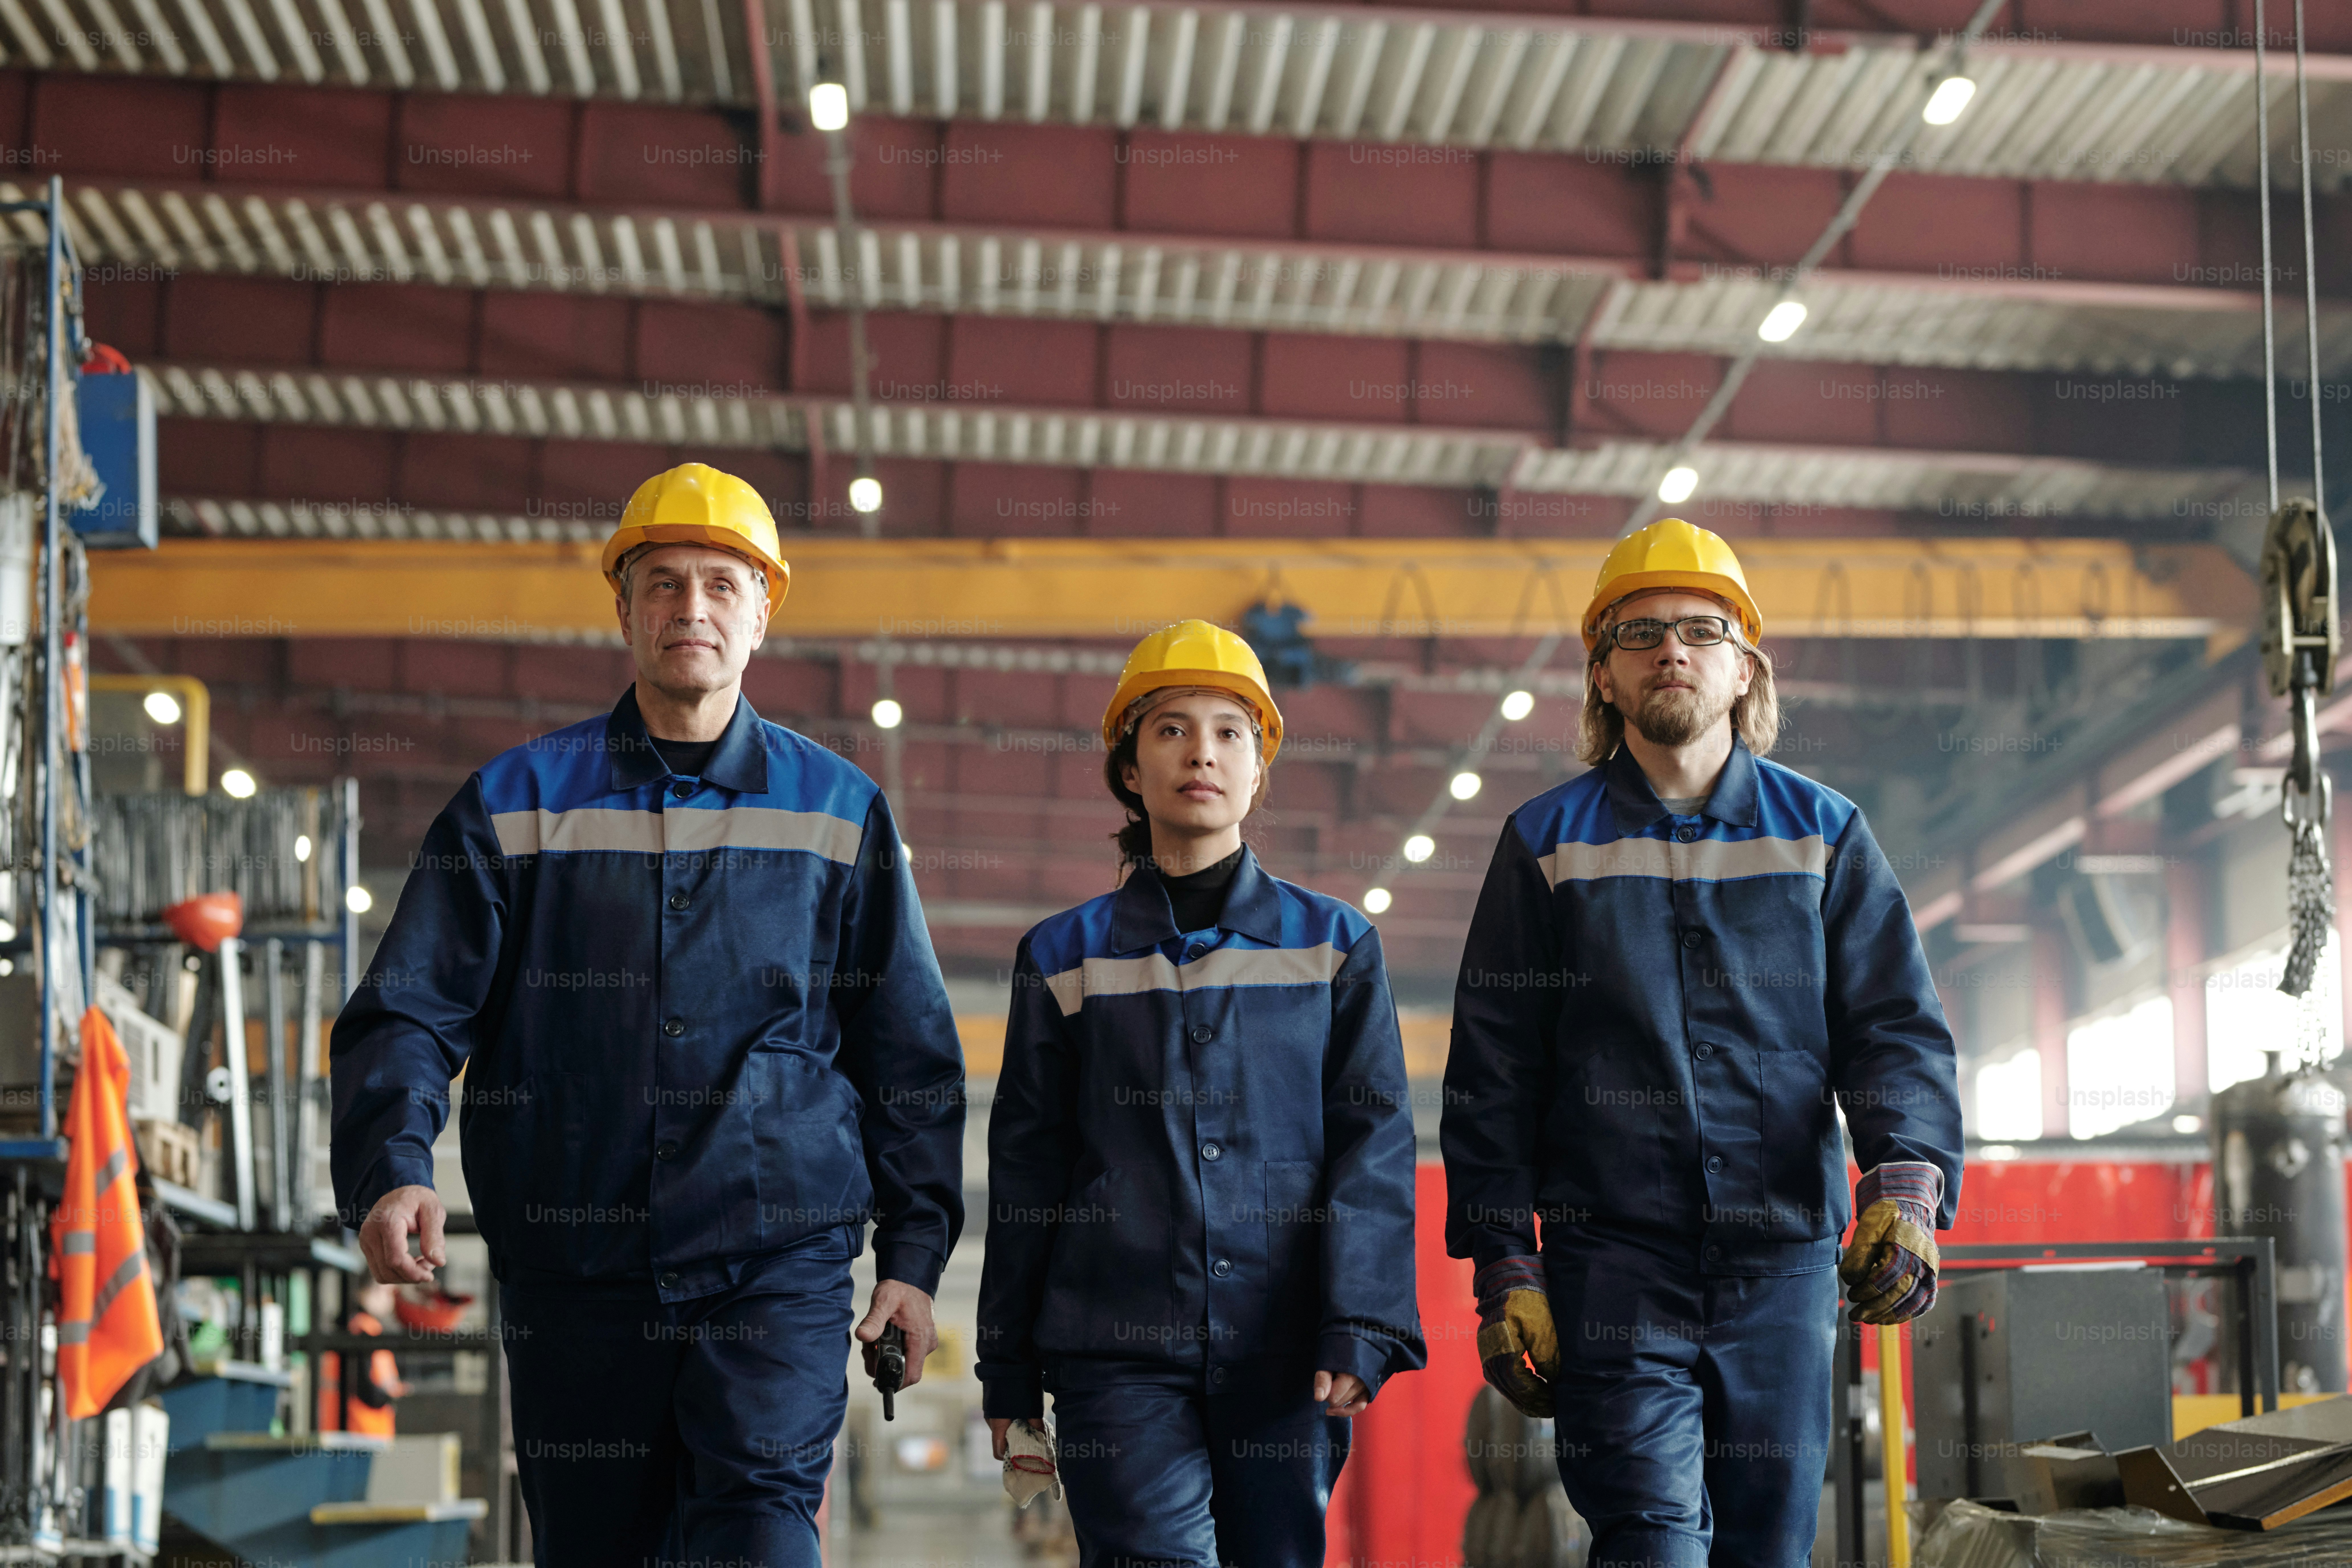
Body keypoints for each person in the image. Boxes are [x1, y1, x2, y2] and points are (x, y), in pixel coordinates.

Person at [330, 463, 965, 1567]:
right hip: (576, 1253)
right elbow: (411, 1007)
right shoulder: (517, 800)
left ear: (764, 610)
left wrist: (911, 1254)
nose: (693, 608)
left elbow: (905, 1047)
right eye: (663, 583)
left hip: (776, 1251)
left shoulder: (836, 807)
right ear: (623, 607)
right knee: (596, 1543)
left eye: (723, 583)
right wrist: (394, 1162)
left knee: (762, 1521)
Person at [1442, 519, 1962, 1568]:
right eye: (1637, 634)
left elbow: (1891, 1027)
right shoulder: (1546, 846)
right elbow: (1495, 1066)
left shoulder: (1824, 836)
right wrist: (1505, 1261)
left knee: (1767, 1542)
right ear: (1602, 675)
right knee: (1649, 1537)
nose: (1669, 651)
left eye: (1699, 630)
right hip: (1611, 1264)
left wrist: (1903, 1191)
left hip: (1781, 1262)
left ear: (1742, 669)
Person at [976, 619, 1425, 1568]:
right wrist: (1006, 1368)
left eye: (1230, 732)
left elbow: (1371, 1144)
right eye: (1171, 730)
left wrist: (1362, 1320)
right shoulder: (1063, 957)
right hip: (1112, 1349)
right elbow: (1028, 1167)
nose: (1202, 753)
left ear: (1259, 768)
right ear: (1129, 771)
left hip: (1283, 1347)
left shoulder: (1333, 946)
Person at [316, 1280, 405, 1438]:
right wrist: (389, 1396)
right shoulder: (363, 1329)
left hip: (349, 1433)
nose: (390, 1301)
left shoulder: (351, 1326)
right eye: (388, 1293)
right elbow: (365, 1388)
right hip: (360, 1432)